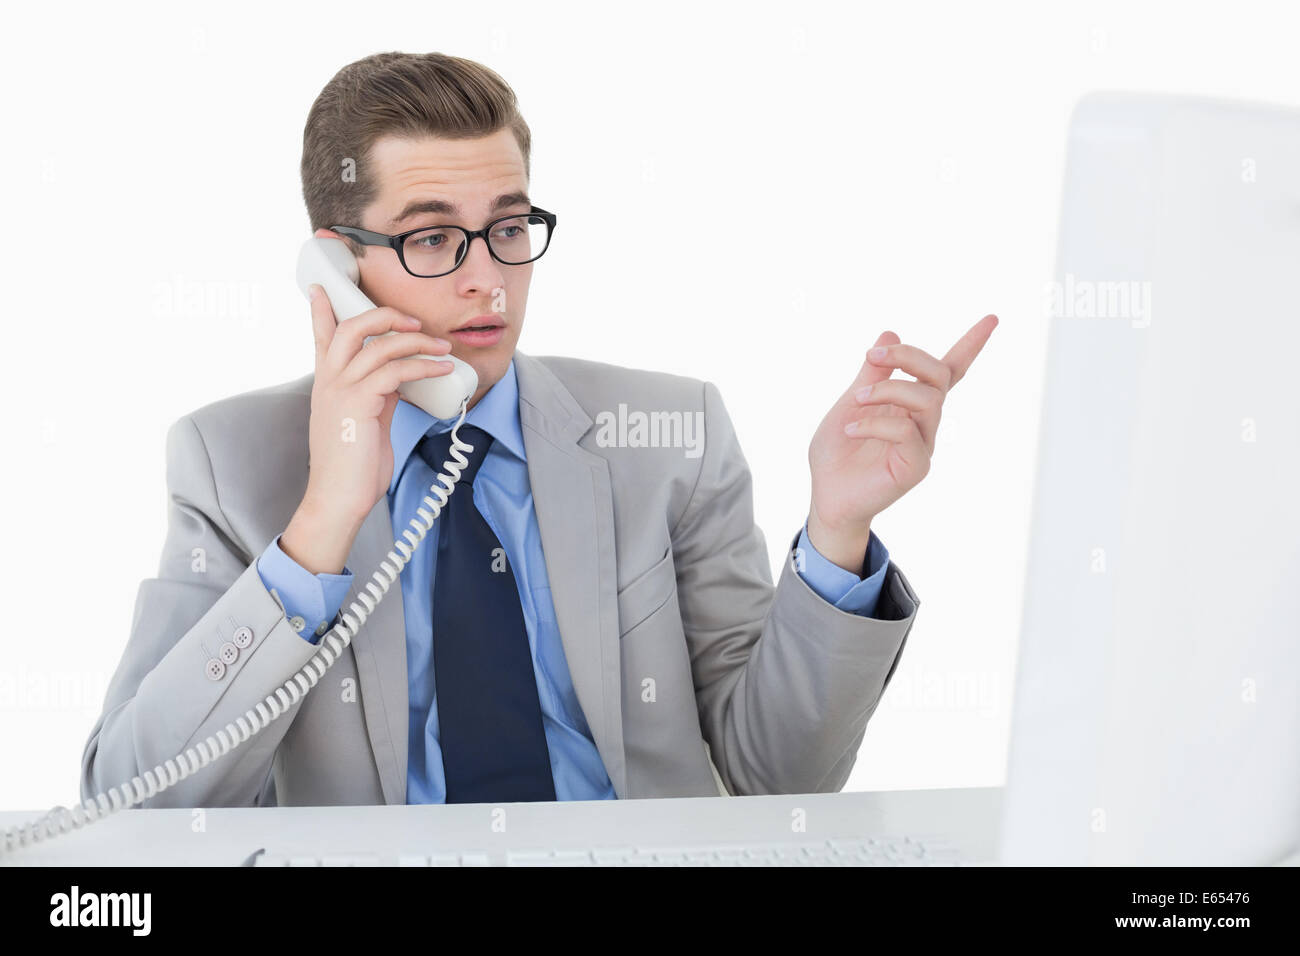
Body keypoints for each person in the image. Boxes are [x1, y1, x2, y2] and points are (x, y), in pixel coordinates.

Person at [81, 51, 996, 808]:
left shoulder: (671, 437)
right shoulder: (228, 462)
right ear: (335, 267)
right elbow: (132, 805)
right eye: (433, 239)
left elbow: (778, 777)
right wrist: (322, 522)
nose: (489, 280)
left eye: (510, 226)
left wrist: (836, 530)